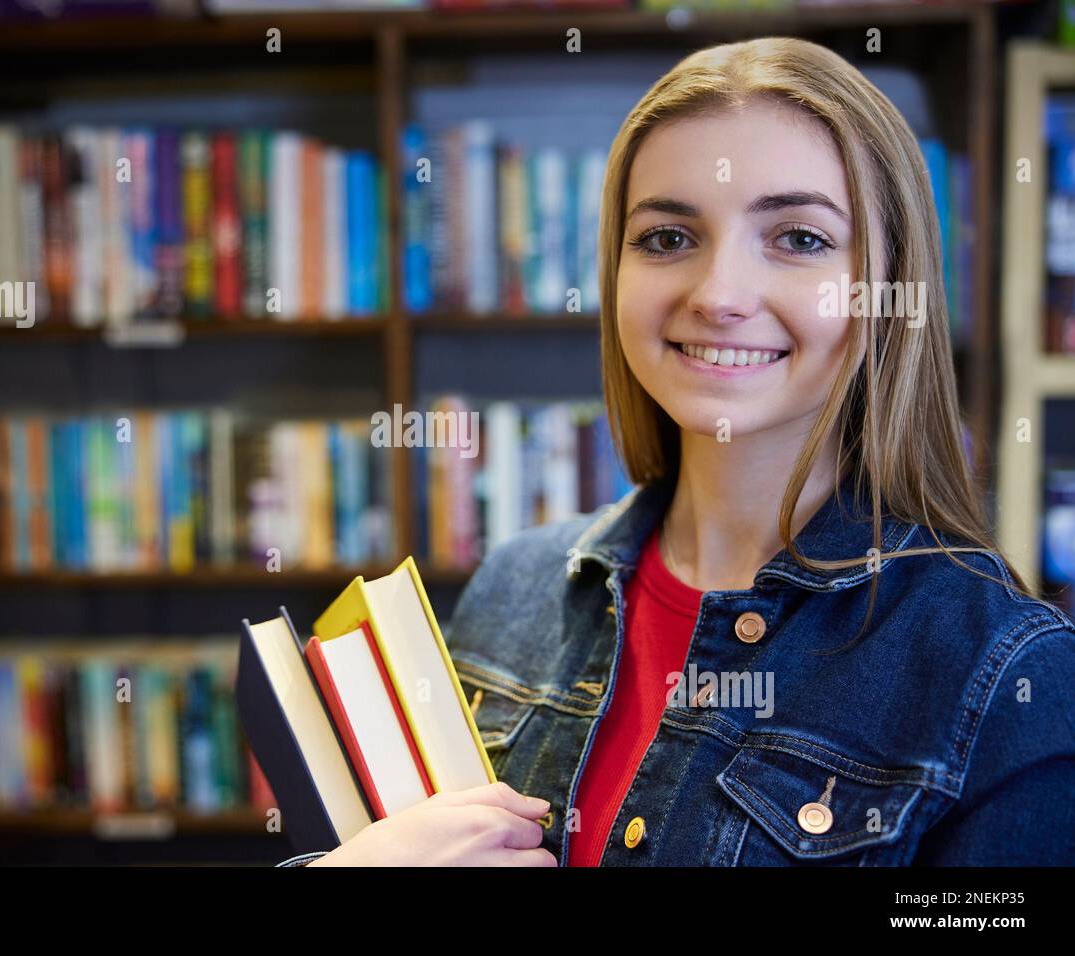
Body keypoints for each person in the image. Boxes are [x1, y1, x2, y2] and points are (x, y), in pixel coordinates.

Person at [283, 35, 1075, 867]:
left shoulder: (1005, 675)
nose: (719, 296)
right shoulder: (514, 586)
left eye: (799, 238)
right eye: (667, 238)